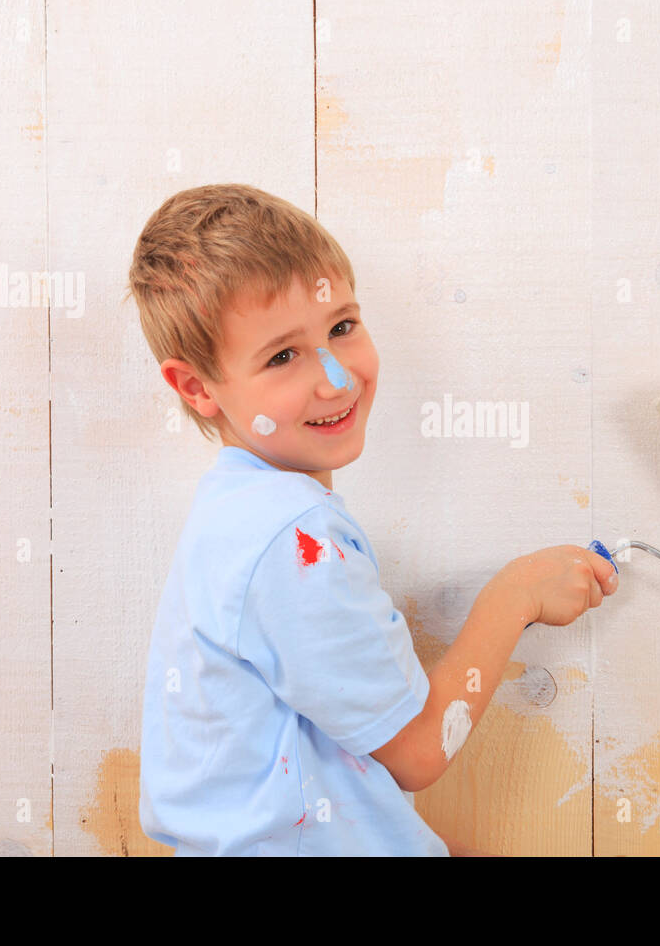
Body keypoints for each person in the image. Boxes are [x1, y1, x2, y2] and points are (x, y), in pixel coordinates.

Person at [126, 184, 618, 855]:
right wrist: (516, 596)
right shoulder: (292, 540)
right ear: (197, 387)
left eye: (341, 327)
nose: (334, 377)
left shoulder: (237, 511)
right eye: (282, 356)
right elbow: (418, 751)